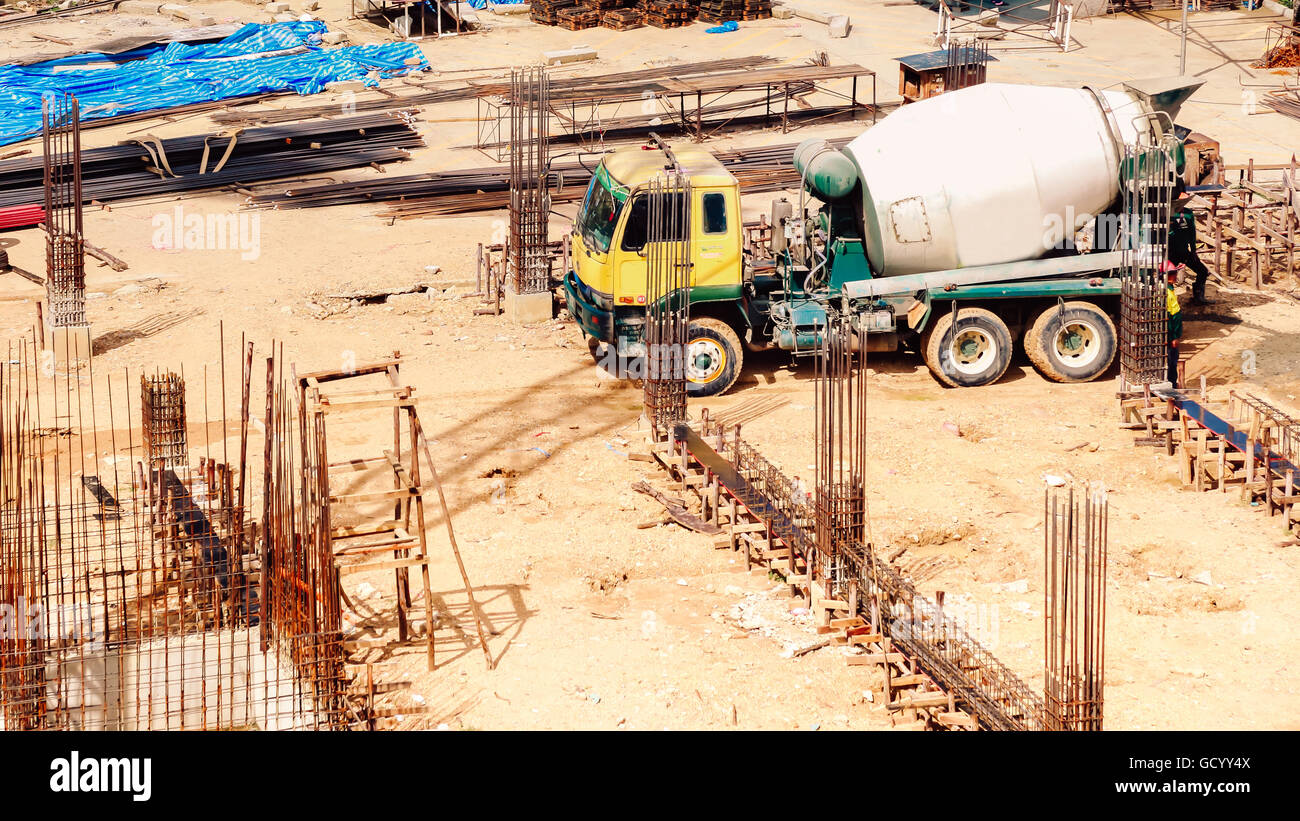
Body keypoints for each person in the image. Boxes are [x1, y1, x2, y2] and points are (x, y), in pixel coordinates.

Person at [1170, 180, 1212, 305]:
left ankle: (1198, 297)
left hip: (1184, 252)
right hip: (1170, 253)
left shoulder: (1188, 214)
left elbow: (1192, 234)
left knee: (1203, 271)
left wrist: (1193, 251)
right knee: (1167, 277)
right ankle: (1168, 300)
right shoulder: (1168, 214)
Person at [1162, 260, 1184, 386]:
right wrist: (1173, 337)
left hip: (1169, 334)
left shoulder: (1169, 290)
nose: (1175, 276)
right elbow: (1169, 317)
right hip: (1169, 335)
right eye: (1173, 274)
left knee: (1171, 361)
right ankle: (1171, 384)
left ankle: (1171, 382)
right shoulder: (1167, 293)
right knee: (1171, 361)